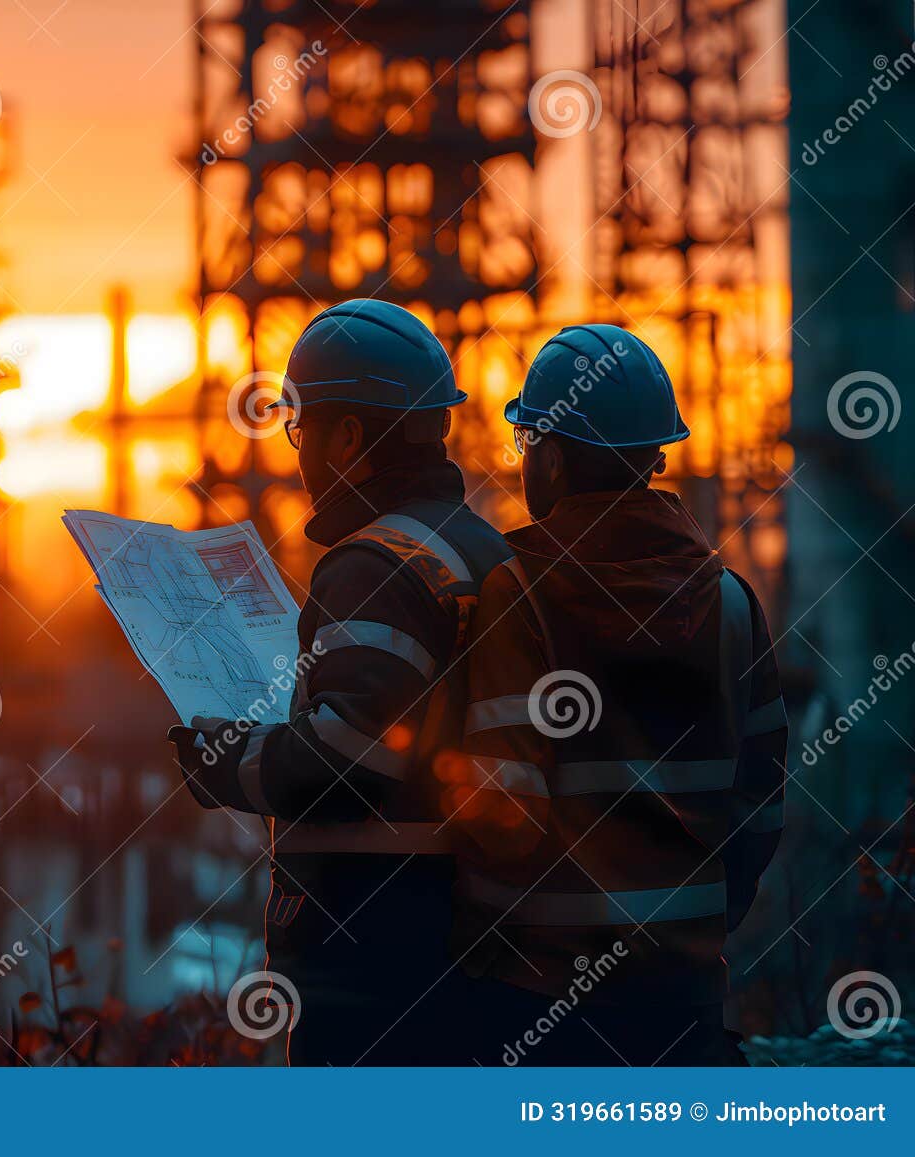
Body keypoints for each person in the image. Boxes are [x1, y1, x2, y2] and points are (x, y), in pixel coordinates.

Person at [168, 299, 509, 1065]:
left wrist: (223, 758)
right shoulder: (484, 551)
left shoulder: (373, 565)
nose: (298, 455)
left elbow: (348, 760)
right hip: (470, 940)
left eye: (301, 429)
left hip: (371, 952)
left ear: (348, 438)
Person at [450, 323, 787, 1066]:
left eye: (527, 442)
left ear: (554, 458)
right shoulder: (733, 603)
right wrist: (692, 927)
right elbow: (761, 806)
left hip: (541, 1002)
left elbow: (503, 814)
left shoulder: (520, 596)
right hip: (684, 998)